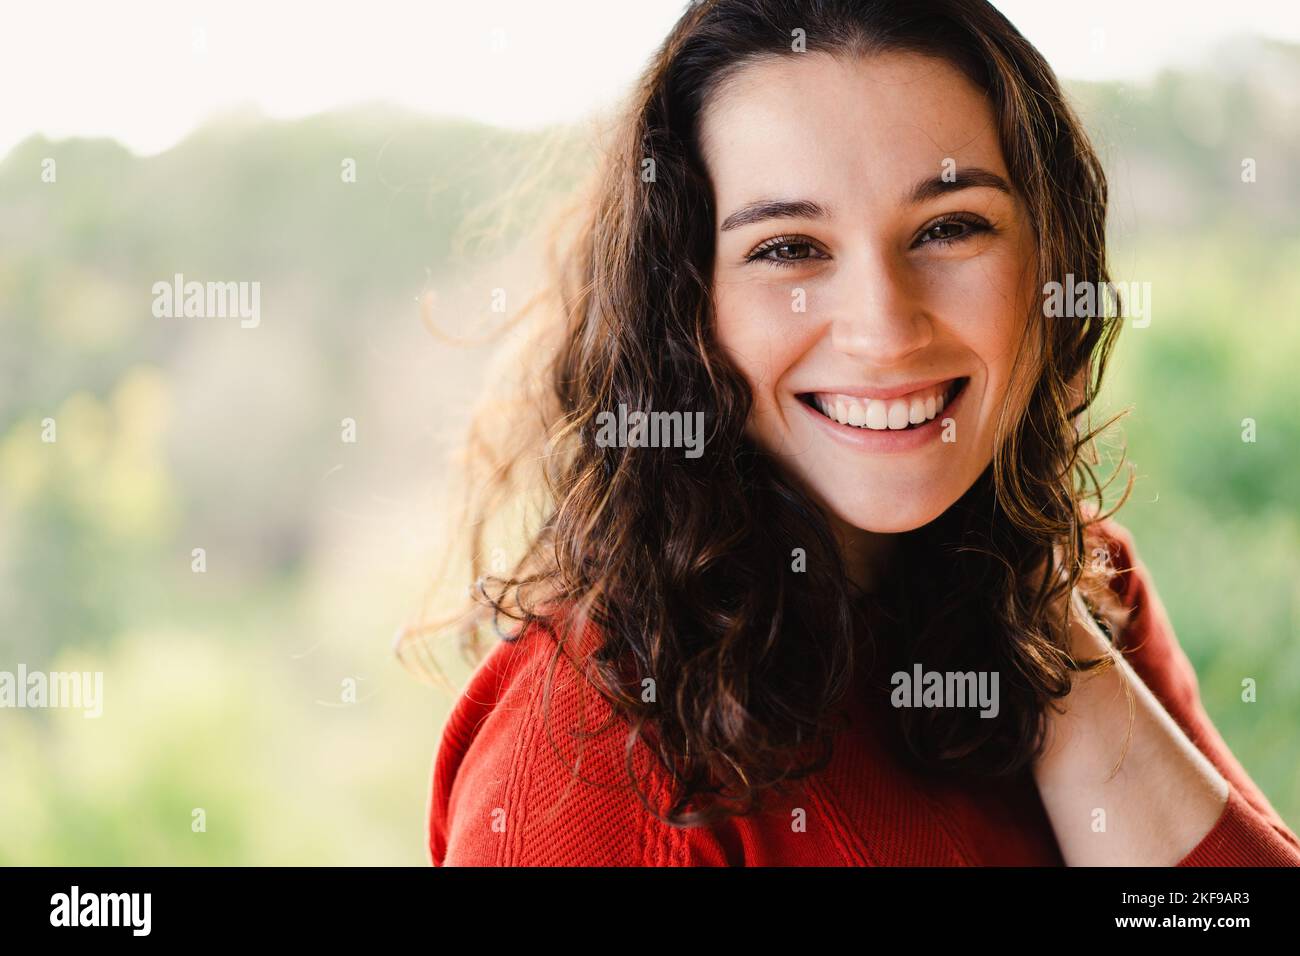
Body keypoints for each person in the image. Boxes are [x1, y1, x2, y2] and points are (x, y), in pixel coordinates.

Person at [410, 0, 1300, 866]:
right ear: (684, 306)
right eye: (789, 248)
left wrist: (1036, 624)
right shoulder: (590, 754)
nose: (883, 332)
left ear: (1049, 263)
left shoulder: (1085, 585)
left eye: (950, 228)